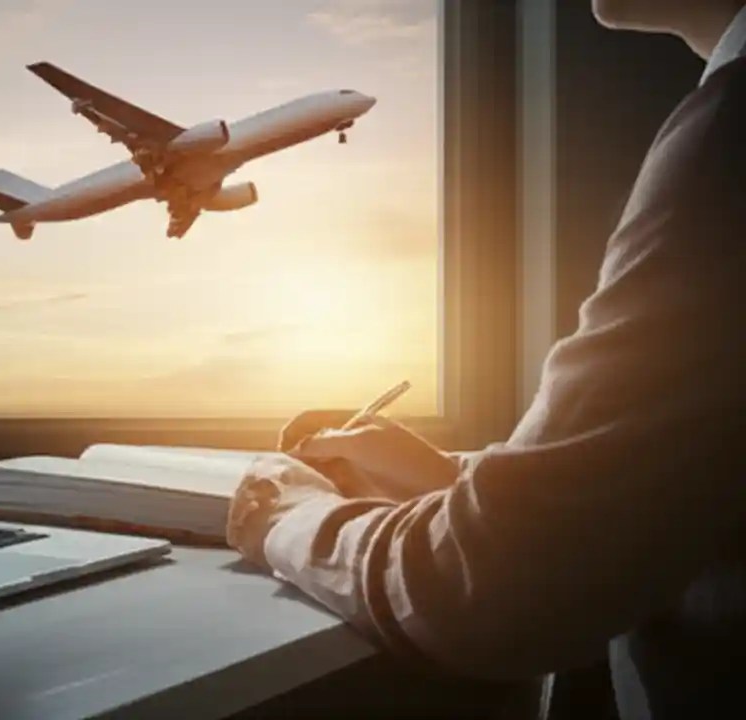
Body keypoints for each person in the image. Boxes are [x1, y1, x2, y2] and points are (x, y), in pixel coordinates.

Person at [226, 1, 746, 717]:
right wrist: (466, 480)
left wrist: (289, 518)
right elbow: (697, 486)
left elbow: (503, 590)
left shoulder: (729, 141)